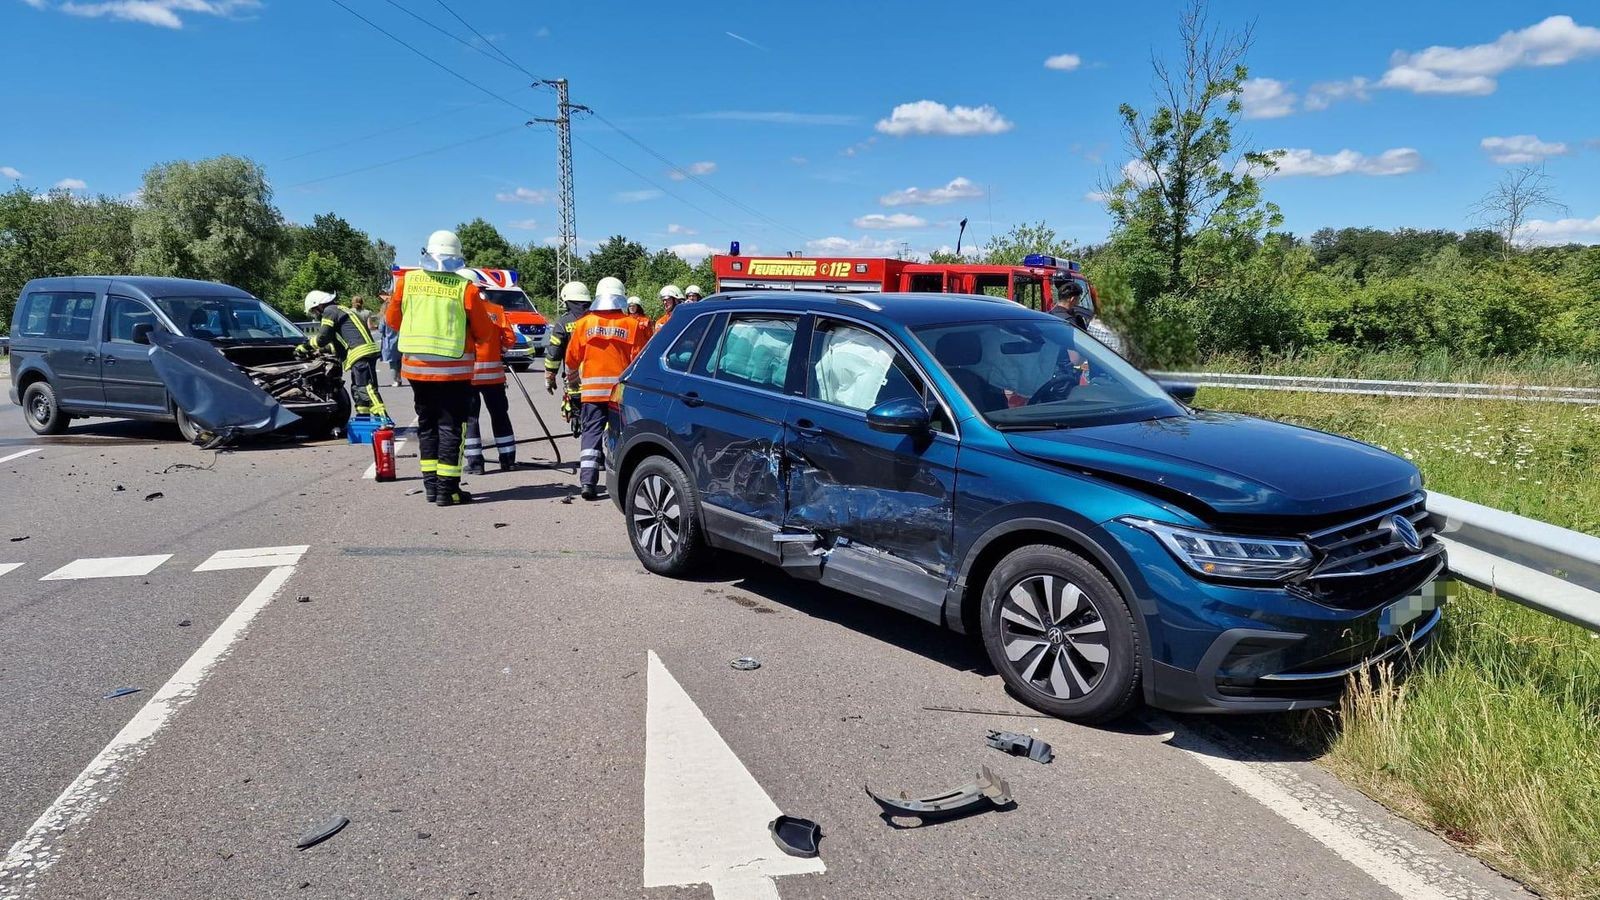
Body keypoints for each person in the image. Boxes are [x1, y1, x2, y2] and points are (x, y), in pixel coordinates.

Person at [385, 229, 500, 507]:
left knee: (427, 426)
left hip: (416, 369)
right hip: (454, 370)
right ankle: (448, 490)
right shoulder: (465, 288)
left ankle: (431, 488)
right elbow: (484, 332)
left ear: (428, 252)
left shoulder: (406, 282)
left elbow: (392, 320)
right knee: (452, 427)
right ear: (456, 258)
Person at [564, 276, 648, 500]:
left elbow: (571, 358)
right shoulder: (631, 324)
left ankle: (587, 483)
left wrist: (571, 380)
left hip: (591, 392)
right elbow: (637, 360)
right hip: (618, 393)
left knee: (590, 435)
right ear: (620, 296)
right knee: (620, 435)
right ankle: (621, 482)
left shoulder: (584, 324)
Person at [297, 289, 389, 422]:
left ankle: (383, 420)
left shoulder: (330, 311)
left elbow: (323, 338)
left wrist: (304, 347)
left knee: (366, 389)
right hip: (362, 353)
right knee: (357, 389)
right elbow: (338, 343)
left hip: (360, 354)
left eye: (314, 310)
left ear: (319, 305)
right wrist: (320, 351)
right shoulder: (340, 310)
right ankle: (363, 419)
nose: (316, 314)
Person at [463, 291, 518, 474]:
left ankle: (475, 463)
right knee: (500, 415)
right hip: (494, 375)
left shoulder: (462, 309)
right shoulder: (496, 310)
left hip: (468, 375)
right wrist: (498, 350)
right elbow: (510, 339)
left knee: (470, 419)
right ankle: (508, 460)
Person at [544, 280, 592, 395]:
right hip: (600, 386)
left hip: (576, 384)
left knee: (575, 413)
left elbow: (554, 353)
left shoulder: (563, 322)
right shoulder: (598, 319)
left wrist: (550, 376)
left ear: (567, 302)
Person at [376, 289, 403, 387]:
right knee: (399, 361)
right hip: (400, 341)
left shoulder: (385, 318)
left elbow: (380, 329)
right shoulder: (399, 316)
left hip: (389, 342)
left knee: (392, 363)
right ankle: (399, 378)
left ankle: (395, 380)